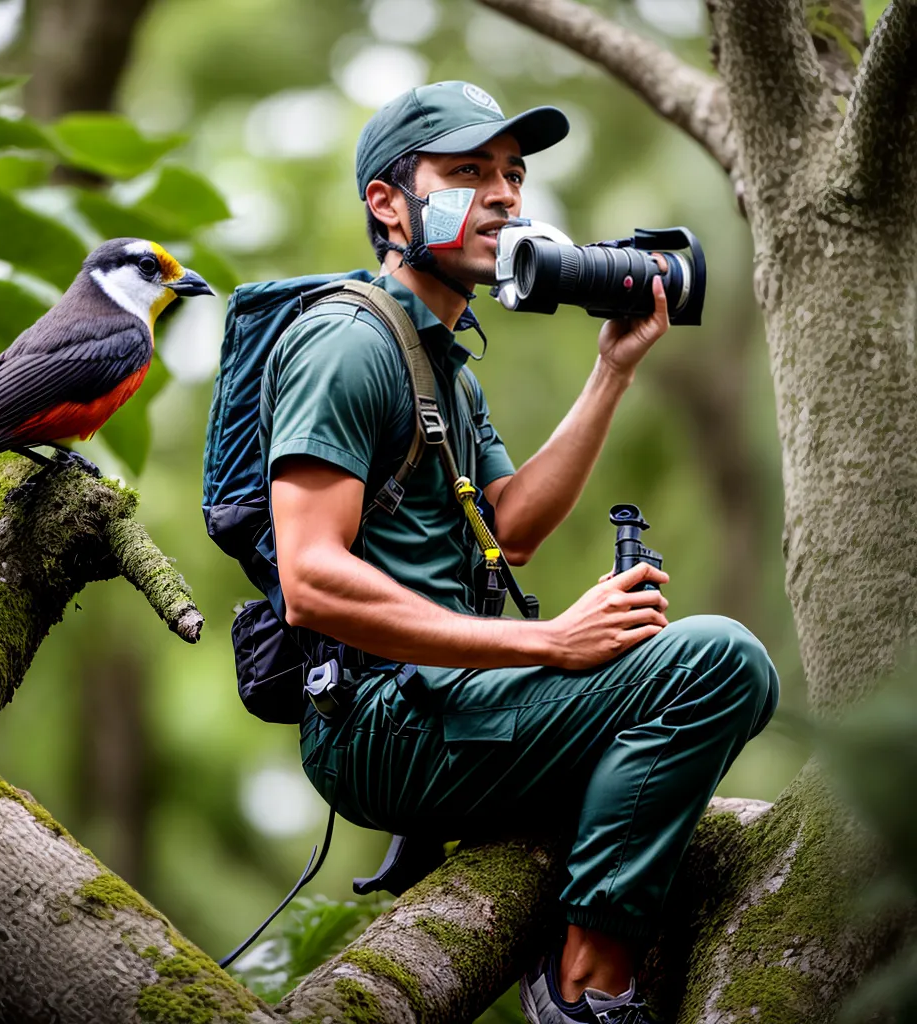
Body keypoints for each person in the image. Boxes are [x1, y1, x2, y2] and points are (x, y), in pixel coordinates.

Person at [258, 81, 778, 1024]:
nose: (503, 194)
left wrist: (612, 368)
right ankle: (587, 986)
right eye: (468, 172)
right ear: (388, 204)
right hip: (379, 723)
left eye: (513, 174)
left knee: (684, 664)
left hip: (448, 700)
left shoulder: (442, 360)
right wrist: (552, 645)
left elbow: (513, 530)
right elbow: (310, 581)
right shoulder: (346, 342)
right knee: (718, 663)